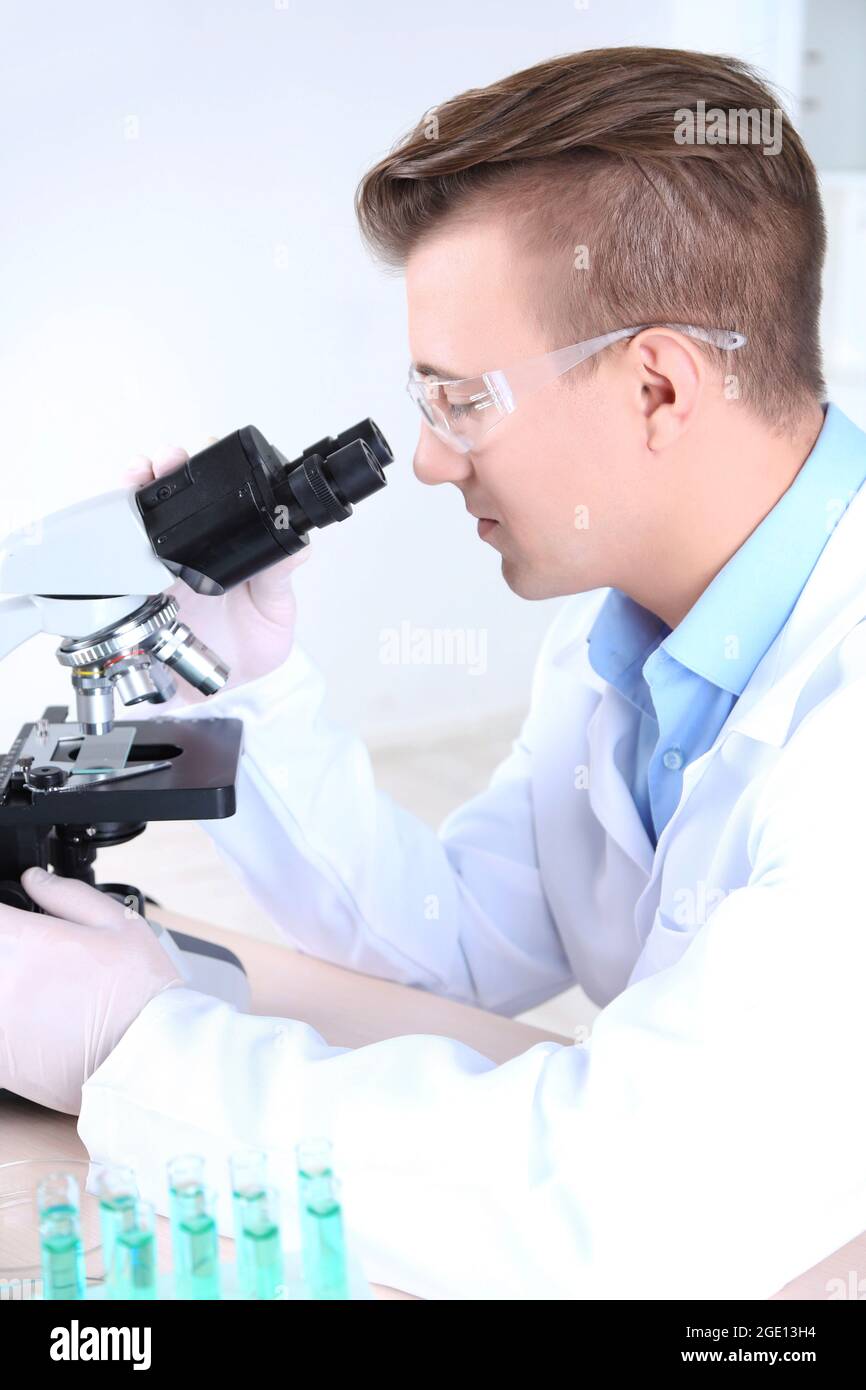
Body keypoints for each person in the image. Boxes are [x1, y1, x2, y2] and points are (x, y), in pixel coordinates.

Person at [2, 46, 865, 1300]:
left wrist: (135, 1048)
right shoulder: (625, 632)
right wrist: (248, 690)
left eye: (461, 400)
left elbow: (618, 1213)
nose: (424, 459)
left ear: (658, 384)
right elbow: (448, 947)